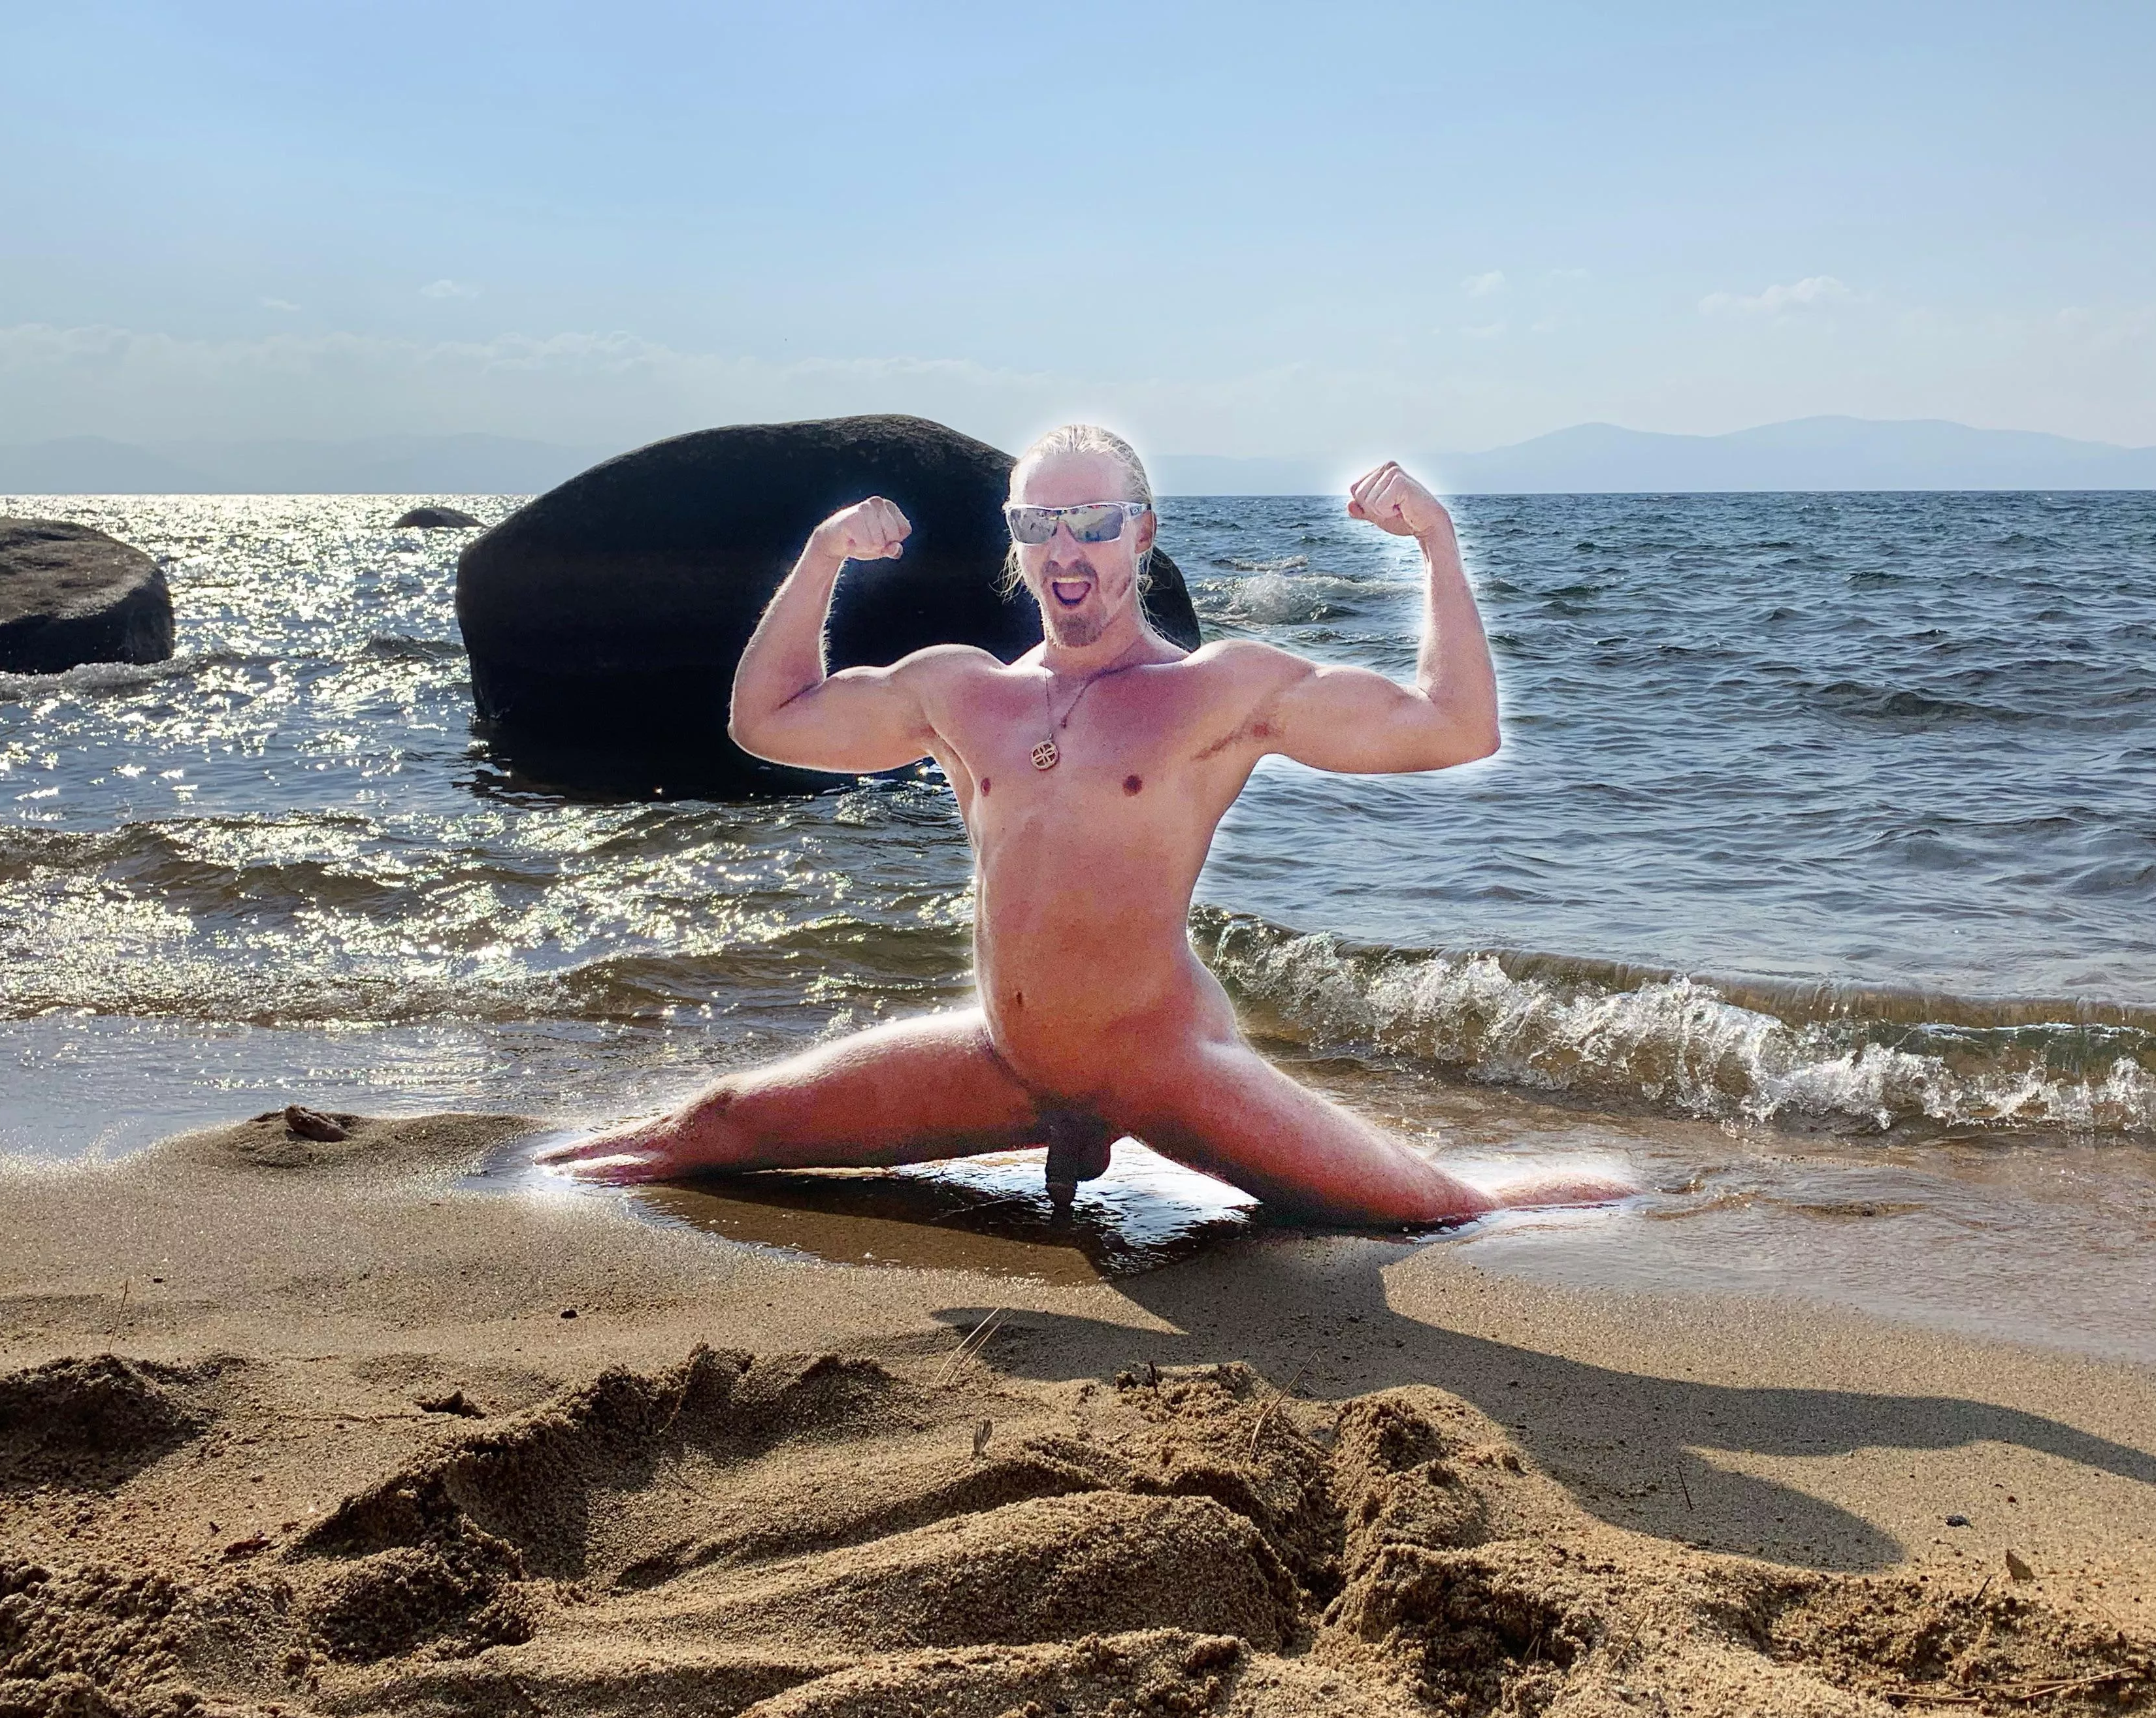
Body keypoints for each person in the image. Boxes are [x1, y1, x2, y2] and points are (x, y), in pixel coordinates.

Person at [543, 425, 1629, 1225]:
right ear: (1017, 542)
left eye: (1095, 522)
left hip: (1162, 1064)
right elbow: (768, 721)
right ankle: (509, 1190)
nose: (1067, 546)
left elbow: (1456, 728)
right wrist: (824, 554)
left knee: (1440, 1210)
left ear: (1140, 533)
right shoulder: (963, 691)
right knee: (712, 1128)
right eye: (1039, 523)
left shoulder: (1219, 690)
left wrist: (1435, 542)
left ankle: (1646, 1197)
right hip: (1002, 1056)